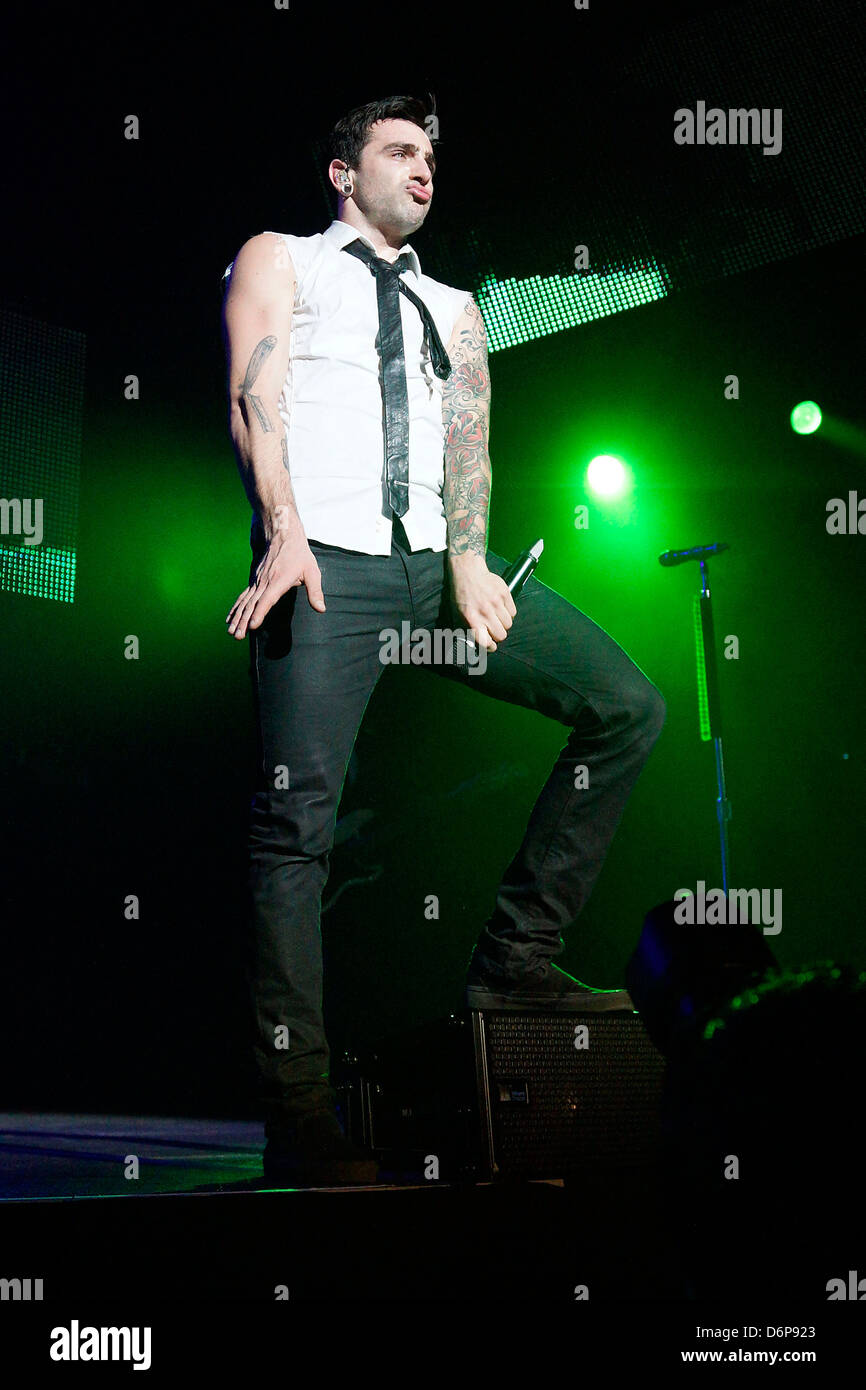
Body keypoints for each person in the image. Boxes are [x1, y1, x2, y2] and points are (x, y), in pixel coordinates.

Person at [221, 95, 666, 1185]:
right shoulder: (281, 258)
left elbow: (468, 445)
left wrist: (467, 558)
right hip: (321, 564)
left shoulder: (456, 309)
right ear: (341, 171)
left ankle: (515, 956)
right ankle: (299, 1117)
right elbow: (251, 394)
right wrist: (281, 531)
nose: (424, 170)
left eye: (431, 156)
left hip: (433, 568)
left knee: (626, 706)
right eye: (398, 151)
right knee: (297, 827)